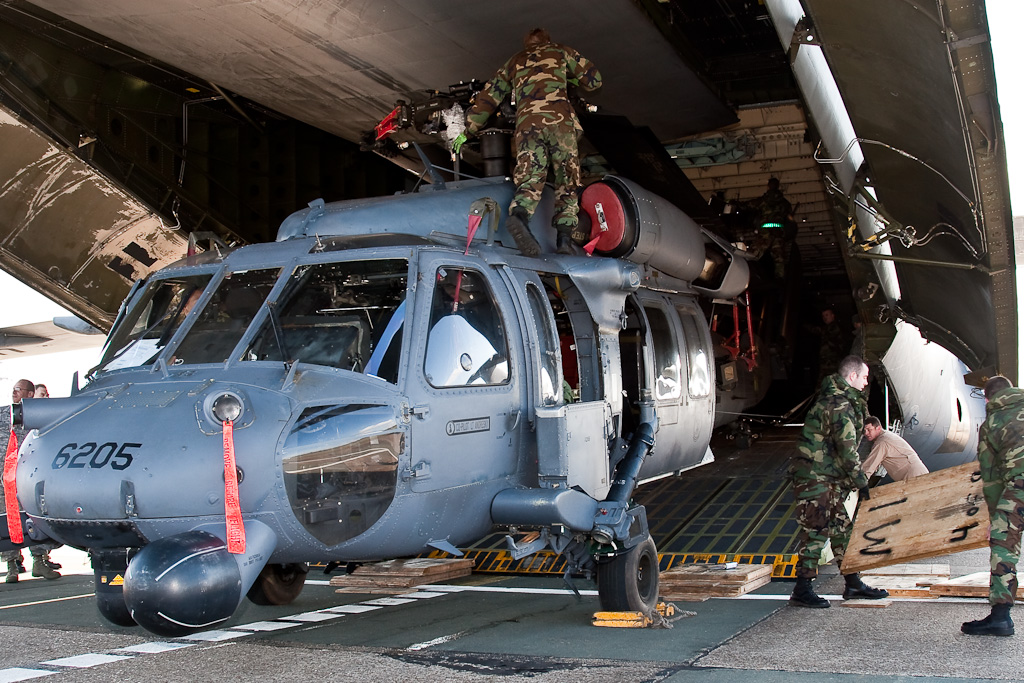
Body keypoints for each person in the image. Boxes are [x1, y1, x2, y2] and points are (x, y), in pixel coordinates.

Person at [453, 28, 602, 256]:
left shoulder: (515, 61)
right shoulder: (561, 51)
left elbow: (489, 96)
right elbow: (594, 81)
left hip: (528, 127)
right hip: (560, 126)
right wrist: (567, 75)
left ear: (526, 46)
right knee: (567, 180)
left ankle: (520, 217)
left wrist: (469, 129)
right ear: (547, 41)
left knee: (530, 179)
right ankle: (563, 241)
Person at [788, 355, 888, 607]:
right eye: (864, 377)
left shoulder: (839, 401)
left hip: (827, 478)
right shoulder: (839, 405)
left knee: (843, 529)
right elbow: (846, 449)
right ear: (851, 376)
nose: (866, 383)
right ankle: (802, 590)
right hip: (815, 479)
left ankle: (853, 583)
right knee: (815, 531)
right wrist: (860, 482)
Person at [961, 375, 1024, 636]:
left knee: (1003, 547)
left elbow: (991, 479)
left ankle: (1000, 618)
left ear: (987, 398)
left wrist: (994, 520)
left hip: (1019, 485)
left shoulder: (991, 424)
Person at [2, 380, 60, 582]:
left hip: (28, 479)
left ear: (28, 393)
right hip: (6, 482)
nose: (13, 393)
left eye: (18, 390)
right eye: (13, 390)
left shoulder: (38, 418)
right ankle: (12, 566)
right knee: (10, 523)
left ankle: (40, 561)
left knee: (34, 521)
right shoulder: (5, 415)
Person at [747, 177, 793, 279]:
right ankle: (780, 280)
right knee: (779, 259)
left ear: (768, 186)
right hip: (778, 232)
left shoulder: (763, 200)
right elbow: (789, 215)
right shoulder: (784, 203)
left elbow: (749, 205)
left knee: (752, 255)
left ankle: (748, 274)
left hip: (765, 232)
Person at [861, 416, 929, 482]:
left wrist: (859, 482)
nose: (866, 433)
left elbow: (869, 466)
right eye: (865, 431)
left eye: (869, 430)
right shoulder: (885, 437)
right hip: (914, 474)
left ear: (878, 428)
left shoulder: (882, 442)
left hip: (913, 476)